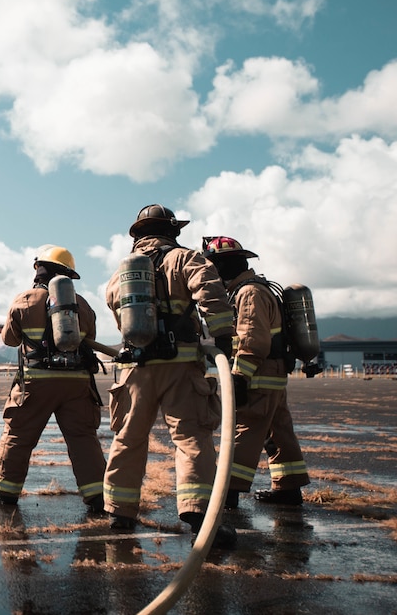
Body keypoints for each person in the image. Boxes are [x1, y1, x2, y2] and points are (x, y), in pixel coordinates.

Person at [102, 204, 238, 547]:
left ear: (138, 235)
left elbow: (112, 304)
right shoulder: (186, 259)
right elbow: (211, 293)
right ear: (172, 231)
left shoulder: (123, 272)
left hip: (135, 367)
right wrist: (222, 339)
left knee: (128, 437)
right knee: (190, 437)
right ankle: (197, 509)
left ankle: (120, 510)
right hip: (180, 364)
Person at [0, 245, 106, 515]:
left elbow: (9, 339)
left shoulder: (24, 300)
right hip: (77, 383)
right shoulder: (82, 305)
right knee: (82, 438)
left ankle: (6, 495)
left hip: (37, 382)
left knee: (18, 437)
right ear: (66, 275)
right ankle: (97, 497)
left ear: (39, 270)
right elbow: (90, 335)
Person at [202, 235, 310, 508]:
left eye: (214, 266)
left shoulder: (249, 293)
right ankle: (289, 487)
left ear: (225, 266)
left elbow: (253, 340)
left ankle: (228, 493)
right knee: (279, 431)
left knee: (246, 430)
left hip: (258, 375)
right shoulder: (252, 289)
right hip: (271, 374)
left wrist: (240, 376)